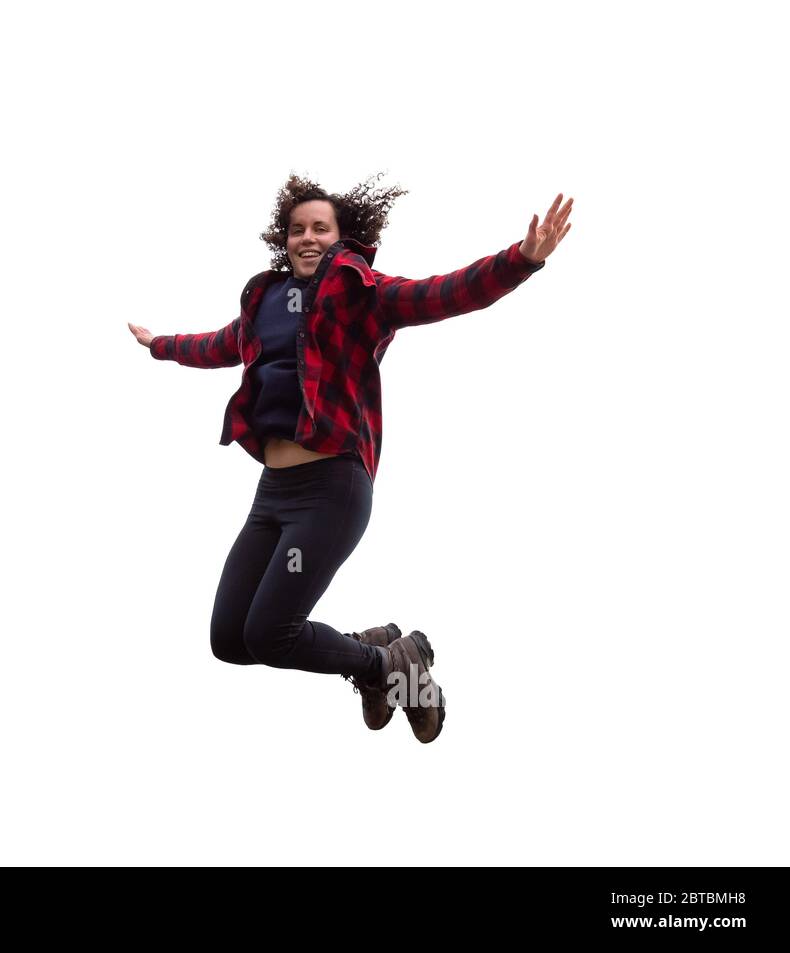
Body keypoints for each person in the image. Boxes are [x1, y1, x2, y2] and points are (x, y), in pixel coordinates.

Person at [128, 173, 572, 743]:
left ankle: (390, 665)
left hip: (331, 490)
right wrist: (160, 346)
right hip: (272, 495)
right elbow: (218, 344)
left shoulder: (361, 293)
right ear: (283, 239)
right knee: (229, 641)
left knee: (270, 634)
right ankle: (387, 654)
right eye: (297, 229)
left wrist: (521, 260)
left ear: (341, 236)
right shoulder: (265, 300)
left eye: (320, 228)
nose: (307, 237)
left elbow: (443, 293)